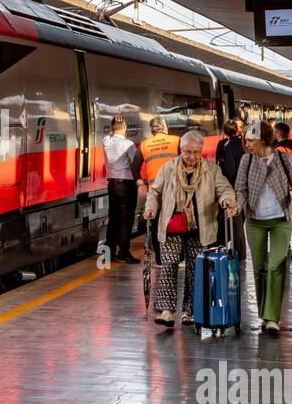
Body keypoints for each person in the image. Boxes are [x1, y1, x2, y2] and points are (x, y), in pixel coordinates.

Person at [142, 129, 238, 327]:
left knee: (196, 271)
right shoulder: (168, 168)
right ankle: (167, 311)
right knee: (168, 266)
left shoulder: (211, 170)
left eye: (195, 152)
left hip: (200, 228)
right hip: (172, 226)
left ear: (201, 151)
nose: (191, 157)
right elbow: (155, 192)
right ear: (180, 151)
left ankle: (191, 311)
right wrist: (150, 208)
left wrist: (228, 199)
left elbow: (224, 188)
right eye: (187, 152)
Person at [235, 119, 292, 336]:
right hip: (255, 222)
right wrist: (237, 204)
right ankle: (264, 314)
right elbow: (240, 189)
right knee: (260, 269)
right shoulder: (246, 161)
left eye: (250, 140)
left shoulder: (283, 158)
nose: (246, 144)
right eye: (245, 140)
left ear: (263, 140)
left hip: (280, 221)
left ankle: (272, 317)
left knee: (276, 266)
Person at [101, 116, 141, 263]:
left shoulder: (106, 141)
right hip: (126, 184)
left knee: (113, 218)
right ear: (125, 129)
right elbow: (136, 163)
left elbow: (112, 133)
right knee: (126, 219)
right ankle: (123, 252)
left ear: (111, 129)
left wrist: (115, 124)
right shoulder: (128, 144)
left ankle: (109, 251)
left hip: (112, 184)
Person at [215, 118, 248, 270]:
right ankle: (240, 254)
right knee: (238, 219)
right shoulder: (244, 145)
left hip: (231, 186)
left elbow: (229, 170)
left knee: (233, 220)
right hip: (244, 187)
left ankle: (231, 252)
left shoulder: (225, 146)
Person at [138, 117, 180, 186]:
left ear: (152, 131)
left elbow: (134, 167)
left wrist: (140, 183)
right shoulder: (176, 140)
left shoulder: (144, 145)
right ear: (165, 128)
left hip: (154, 189)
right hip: (173, 186)